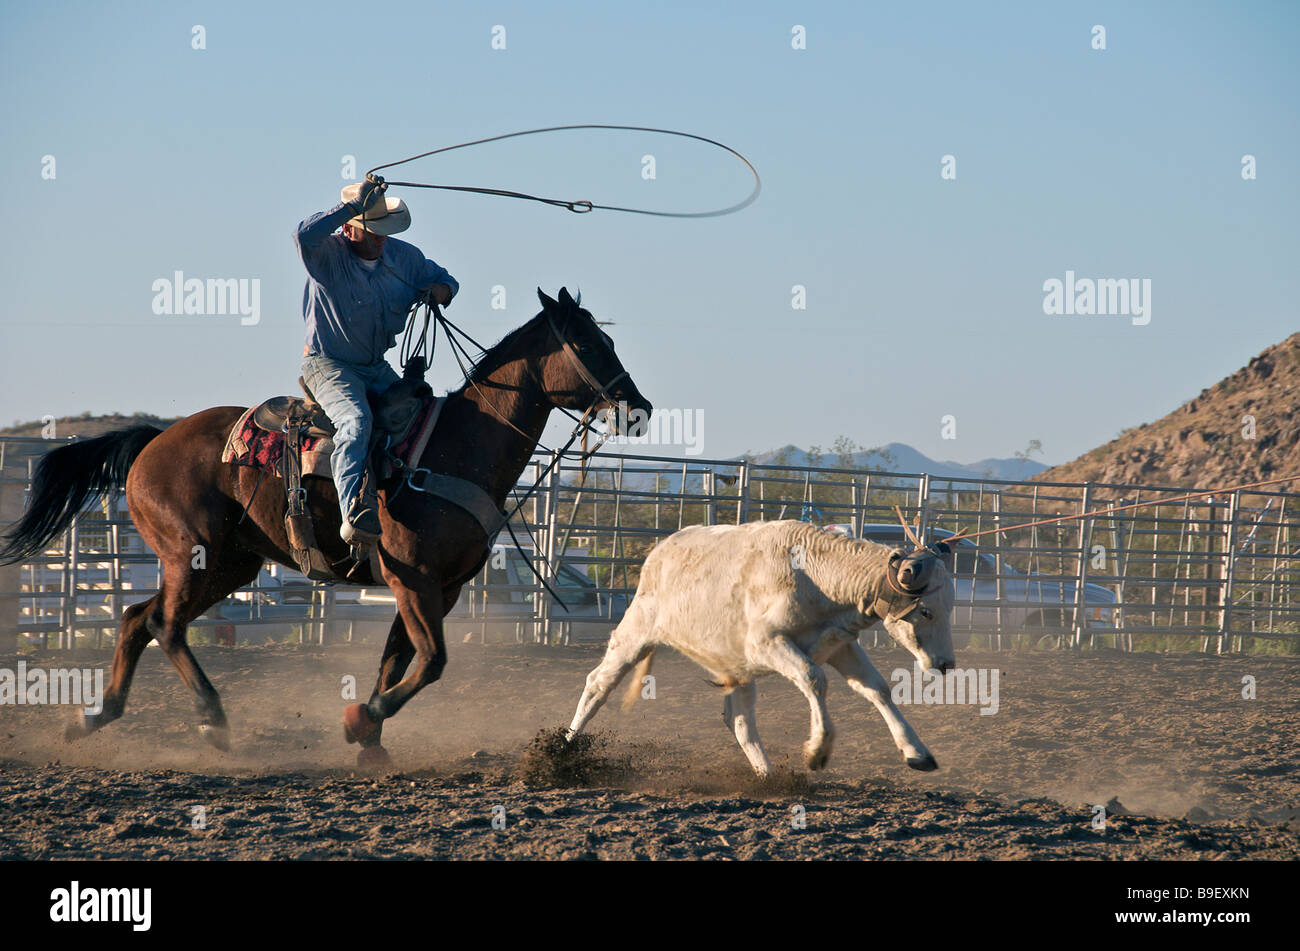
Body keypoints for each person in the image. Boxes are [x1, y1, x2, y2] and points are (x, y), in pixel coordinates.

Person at [293, 175, 458, 543]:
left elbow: (446, 281)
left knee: (424, 413)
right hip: (329, 363)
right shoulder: (326, 255)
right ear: (349, 229)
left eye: (384, 231)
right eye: (373, 231)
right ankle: (353, 510)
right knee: (355, 420)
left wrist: (439, 291)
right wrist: (351, 207)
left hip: (375, 366)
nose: (381, 239)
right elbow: (304, 236)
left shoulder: (405, 257)